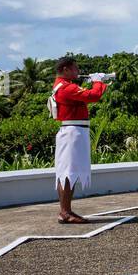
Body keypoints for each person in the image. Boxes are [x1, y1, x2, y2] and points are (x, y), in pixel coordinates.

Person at [49, 57, 107, 224]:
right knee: (68, 174)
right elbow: (93, 96)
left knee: (68, 174)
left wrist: (97, 82)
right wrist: (97, 82)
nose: (77, 71)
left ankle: (66, 211)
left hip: (73, 130)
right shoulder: (66, 88)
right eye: (75, 69)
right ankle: (65, 212)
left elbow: (84, 94)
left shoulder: (63, 86)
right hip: (73, 132)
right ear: (66, 69)